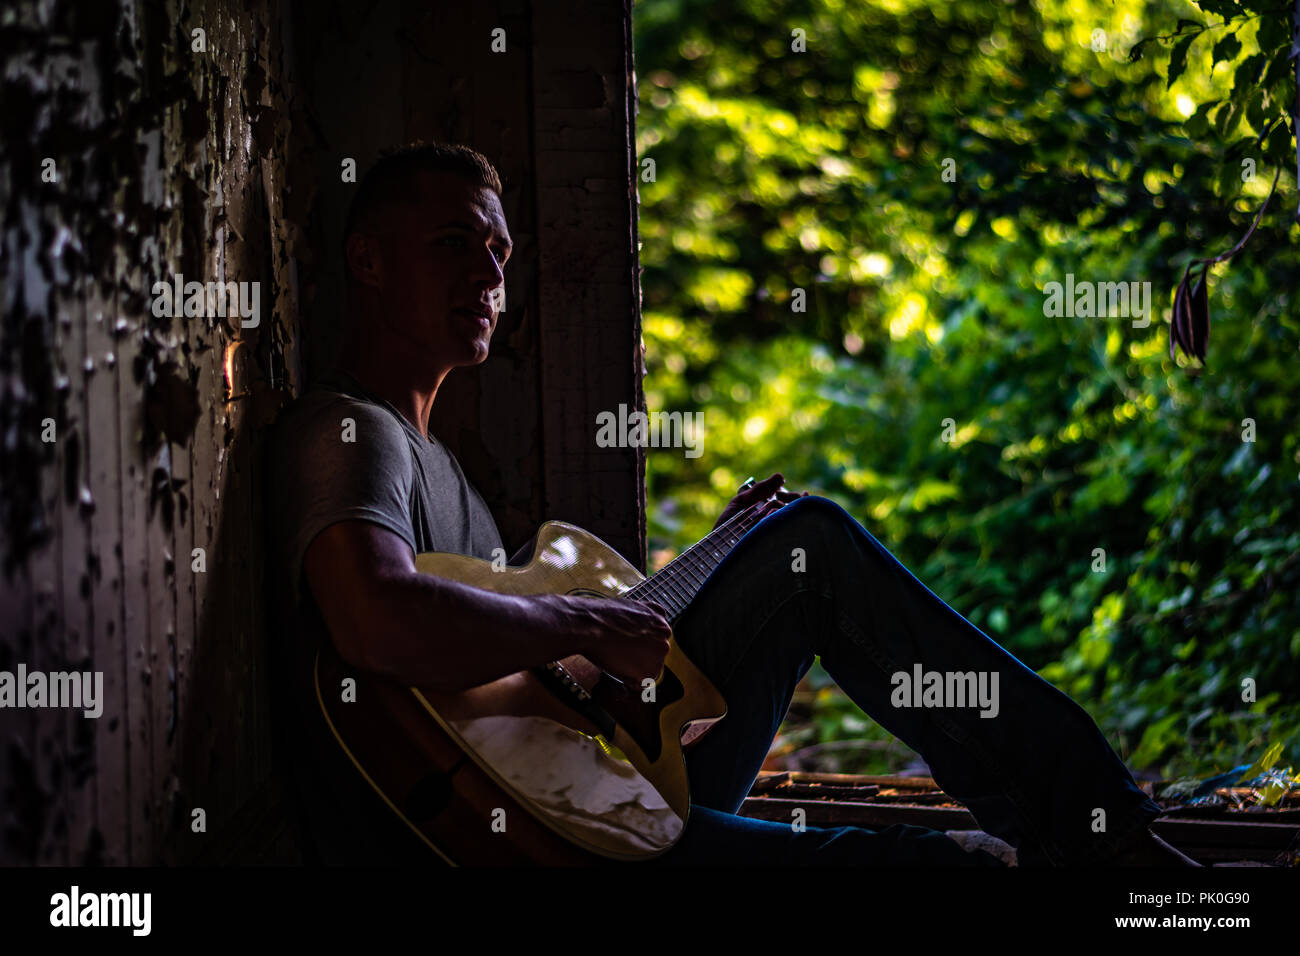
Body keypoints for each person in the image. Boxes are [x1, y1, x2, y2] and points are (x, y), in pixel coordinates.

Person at [267, 141, 1197, 867]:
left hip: (584, 790)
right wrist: (578, 620)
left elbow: (551, 692)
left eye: (499, 250)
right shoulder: (350, 430)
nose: (487, 273)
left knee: (801, 546)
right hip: (503, 836)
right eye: (451, 244)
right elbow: (376, 620)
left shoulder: (451, 479)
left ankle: (1097, 829)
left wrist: (709, 562)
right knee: (932, 866)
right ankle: (1097, 835)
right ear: (368, 260)